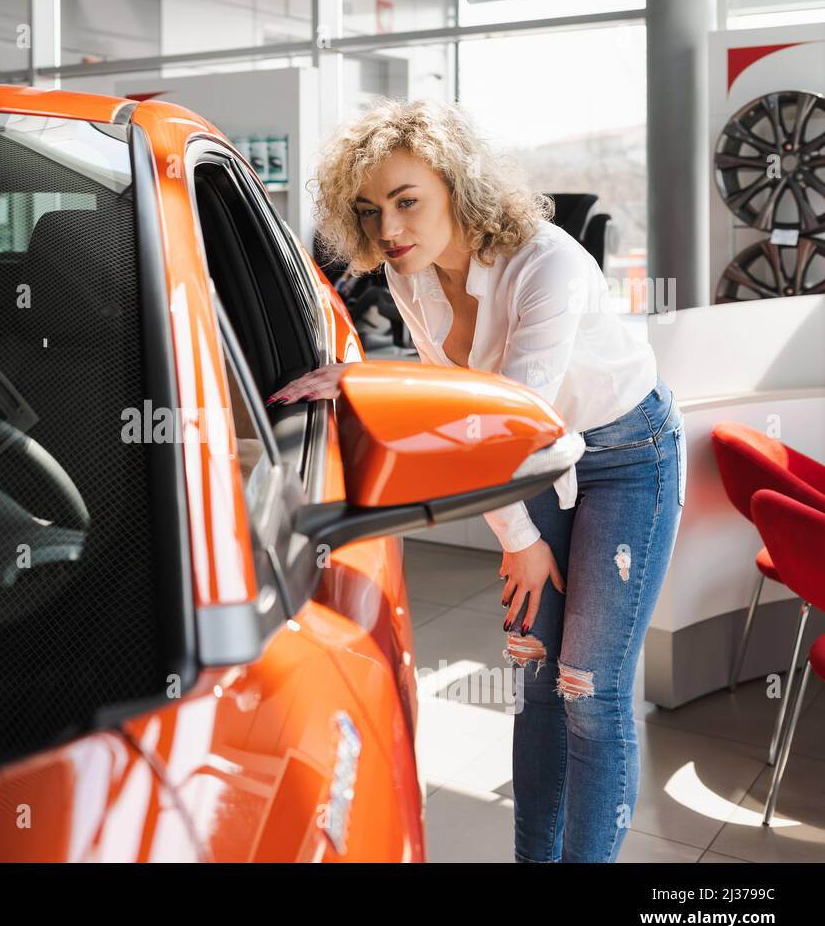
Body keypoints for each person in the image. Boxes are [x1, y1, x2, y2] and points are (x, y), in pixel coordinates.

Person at [268, 97, 685, 863]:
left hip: (626, 455)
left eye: (406, 201)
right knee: (535, 689)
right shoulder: (409, 276)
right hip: (531, 458)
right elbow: (469, 414)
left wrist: (373, 388)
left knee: (587, 690)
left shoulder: (547, 263)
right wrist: (364, 380)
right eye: (368, 212)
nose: (387, 230)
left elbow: (503, 418)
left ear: (457, 186)